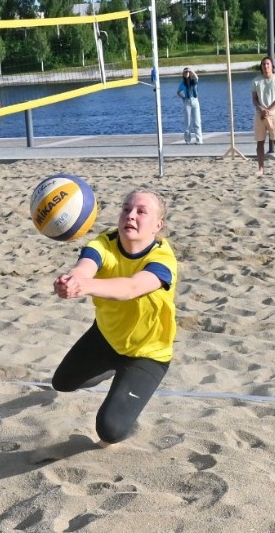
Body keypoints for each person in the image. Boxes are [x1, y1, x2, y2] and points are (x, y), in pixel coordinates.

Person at [51, 189, 177, 448]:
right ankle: (110, 368)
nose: (130, 216)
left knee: (110, 430)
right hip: (106, 337)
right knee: (62, 383)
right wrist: (72, 281)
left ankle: (126, 377)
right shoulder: (103, 242)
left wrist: (85, 287)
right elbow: (85, 267)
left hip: (147, 353)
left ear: (158, 225)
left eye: (141, 212)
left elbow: (130, 288)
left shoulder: (162, 259)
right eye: (126, 209)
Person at [251, 56, 275, 176]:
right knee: (260, 142)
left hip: (274, 114)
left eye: (268, 64)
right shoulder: (256, 81)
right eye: (263, 64)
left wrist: (269, 110)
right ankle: (261, 168)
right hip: (259, 114)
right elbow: (254, 99)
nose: (265, 66)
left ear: (272, 66)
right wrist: (261, 109)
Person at [176, 67, 202, 144]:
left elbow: (197, 77)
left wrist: (191, 71)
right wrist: (183, 98)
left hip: (195, 101)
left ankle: (199, 140)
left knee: (197, 121)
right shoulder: (182, 83)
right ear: (183, 74)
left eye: (187, 72)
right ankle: (187, 140)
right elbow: (178, 92)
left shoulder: (194, 81)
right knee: (187, 122)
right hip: (187, 101)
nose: (186, 73)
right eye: (185, 72)